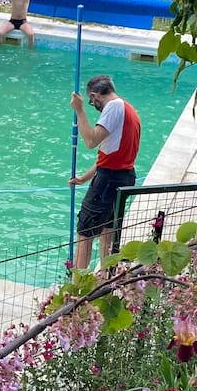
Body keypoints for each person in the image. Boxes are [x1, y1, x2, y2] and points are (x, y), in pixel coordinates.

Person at [68, 73, 141, 270]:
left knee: (85, 232)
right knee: (107, 232)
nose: (94, 106)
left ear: (95, 95)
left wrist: (80, 110)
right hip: (123, 176)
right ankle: (105, 281)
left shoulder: (113, 107)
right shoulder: (127, 108)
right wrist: (84, 177)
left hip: (108, 180)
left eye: (92, 102)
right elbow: (109, 156)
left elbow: (91, 141)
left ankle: (78, 289)